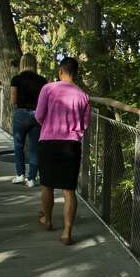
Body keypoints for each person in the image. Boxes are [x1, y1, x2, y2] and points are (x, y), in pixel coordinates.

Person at [34, 56, 90, 245]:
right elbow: (85, 124)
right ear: (76, 73)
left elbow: (39, 115)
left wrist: (49, 125)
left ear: (60, 71)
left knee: (47, 184)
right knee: (69, 190)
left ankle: (48, 219)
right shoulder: (83, 95)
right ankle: (67, 232)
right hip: (71, 144)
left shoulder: (48, 88)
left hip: (49, 140)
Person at [9, 54, 46, 186]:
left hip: (21, 114)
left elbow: (13, 100)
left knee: (18, 145)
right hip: (37, 115)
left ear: (22, 63)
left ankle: (20, 175)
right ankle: (31, 178)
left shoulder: (16, 79)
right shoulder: (42, 81)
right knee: (35, 147)